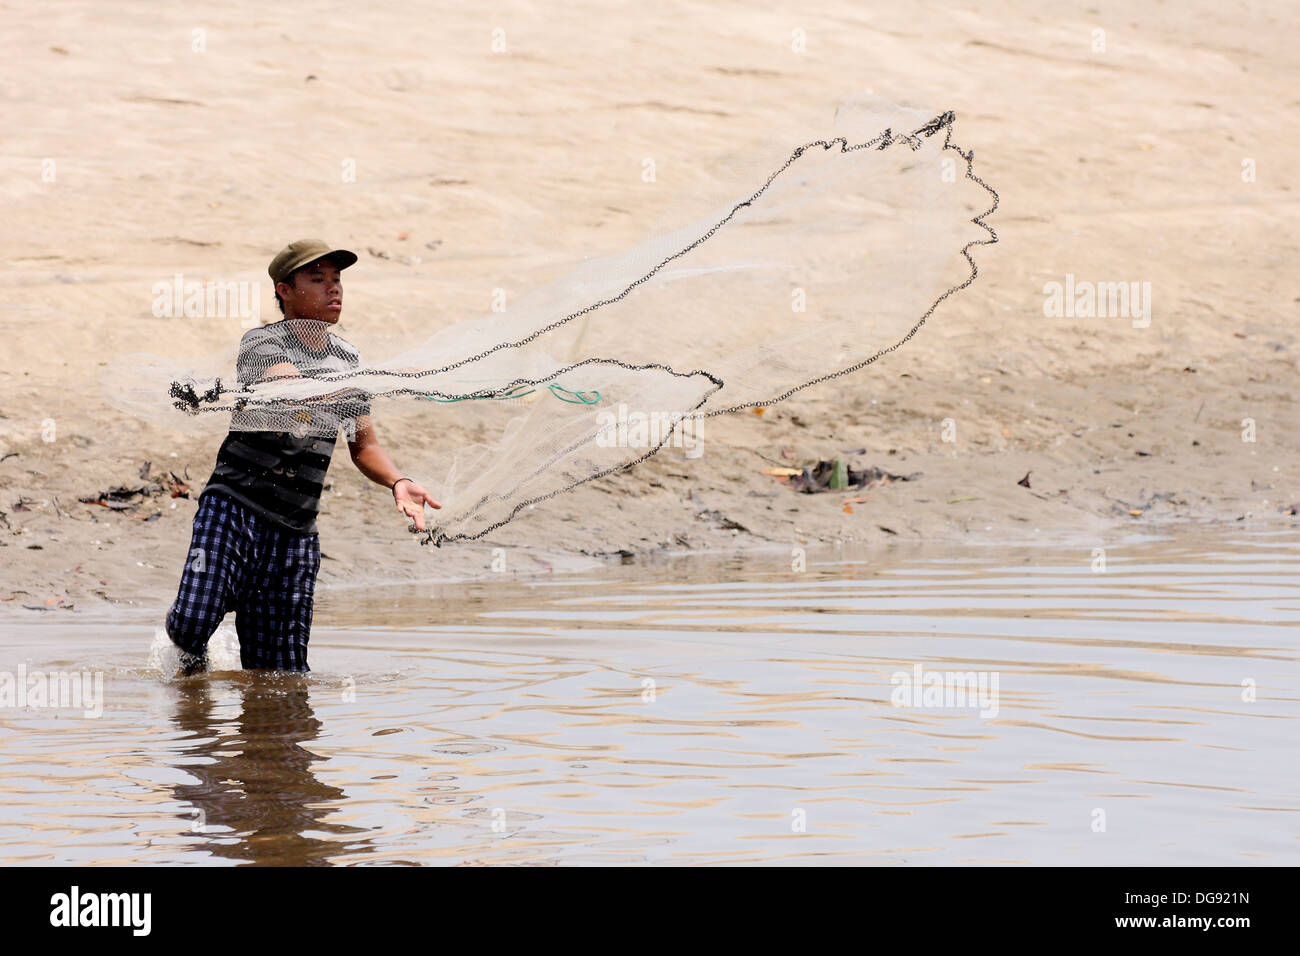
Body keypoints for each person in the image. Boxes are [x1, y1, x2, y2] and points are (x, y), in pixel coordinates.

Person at [164, 239, 440, 673]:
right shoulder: (262, 344)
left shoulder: (348, 359)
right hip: (234, 508)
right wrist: (378, 380)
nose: (334, 290)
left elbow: (363, 445)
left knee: (282, 675)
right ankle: (187, 659)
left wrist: (397, 481)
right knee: (193, 624)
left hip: (295, 530)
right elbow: (292, 385)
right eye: (318, 280)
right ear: (284, 291)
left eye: (337, 280)